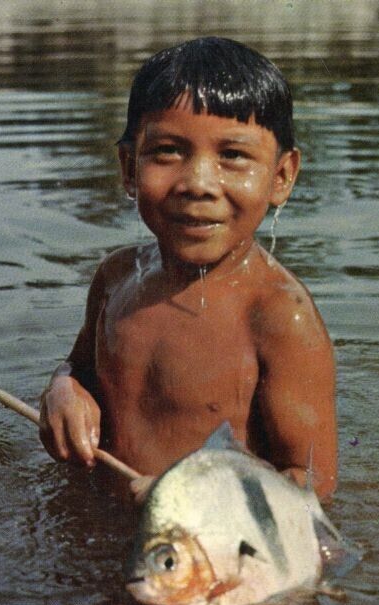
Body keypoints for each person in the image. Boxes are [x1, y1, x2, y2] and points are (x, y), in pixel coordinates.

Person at [39, 37, 337, 503]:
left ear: (281, 177)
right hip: (115, 530)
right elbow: (78, 366)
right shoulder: (116, 278)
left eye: (233, 156)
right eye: (169, 151)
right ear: (128, 167)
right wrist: (63, 387)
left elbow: (314, 482)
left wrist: (192, 500)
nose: (198, 184)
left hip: (210, 552)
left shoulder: (278, 313)